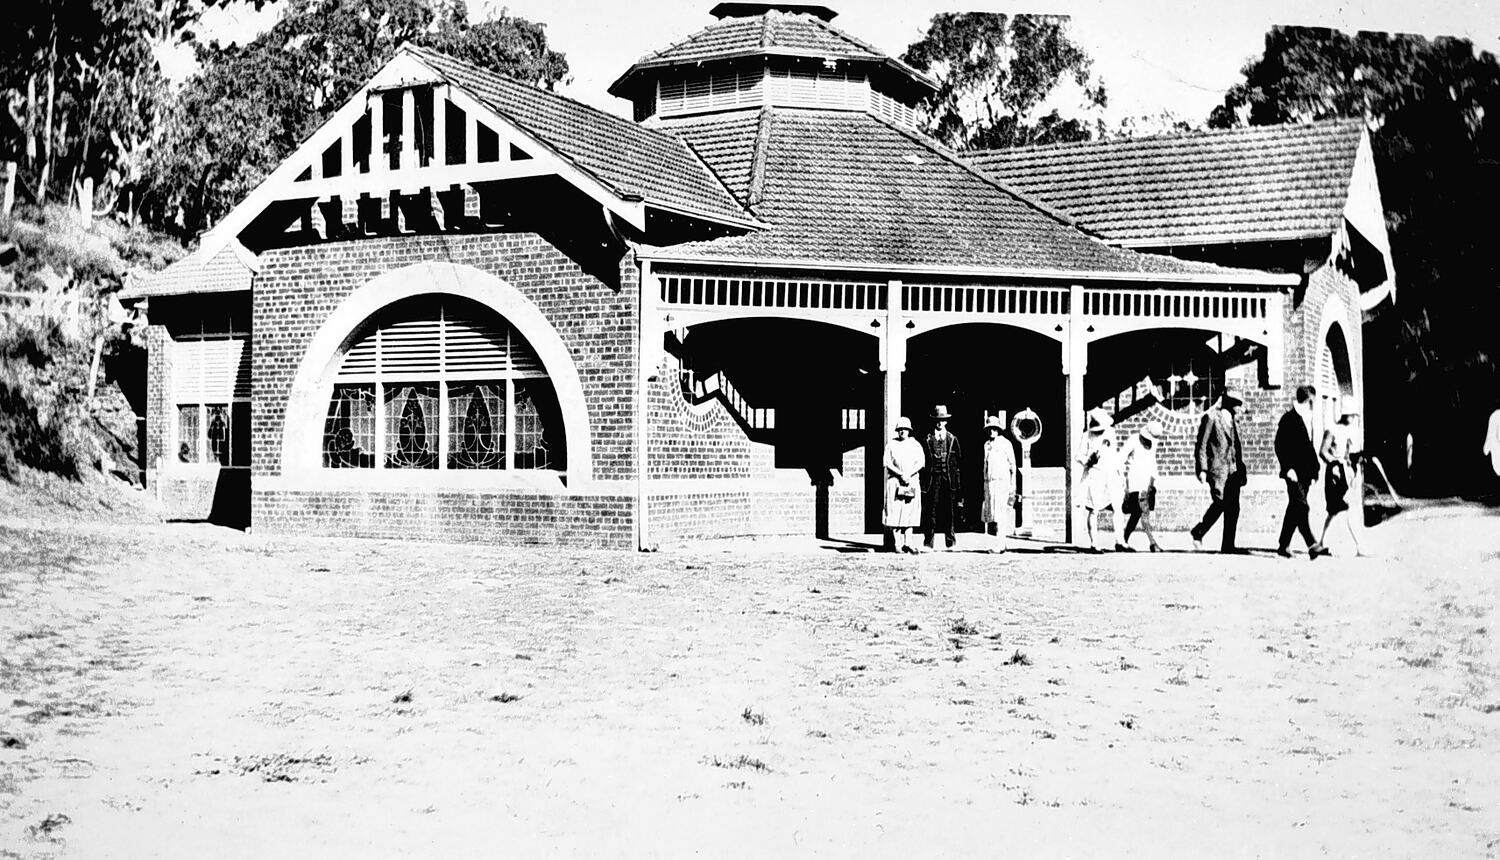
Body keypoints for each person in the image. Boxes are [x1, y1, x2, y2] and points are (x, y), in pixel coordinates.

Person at [1190, 387, 1247, 552]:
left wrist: (1241, 470)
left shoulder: (1235, 421)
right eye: (1237, 403)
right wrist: (1202, 469)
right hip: (1218, 469)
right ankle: (1199, 531)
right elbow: (1201, 444)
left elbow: (1237, 447)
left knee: (1233, 507)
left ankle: (1228, 545)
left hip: (1234, 470)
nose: (1239, 407)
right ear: (1229, 403)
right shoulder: (1212, 417)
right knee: (1221, 502)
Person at [1274, 384, 1325, 559]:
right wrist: (1287, 468)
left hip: (1305, 473)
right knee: (1302, 506)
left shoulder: (1306, 418)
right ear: (1309, 399)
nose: (1315, 404)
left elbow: (1308, 448)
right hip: (1293, 473)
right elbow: (1280, 445)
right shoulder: (1289, 419)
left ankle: (1283, 545)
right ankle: (1312, 544)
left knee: (1294, 508)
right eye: (1314, 400)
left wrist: (1315, 470)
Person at [1317, 405, 1363, 556]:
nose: (1353, 418)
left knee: (1346, 509)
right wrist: (1334, 464)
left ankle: (1324, 543)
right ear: (1345, 414)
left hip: (1346, 471)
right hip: (1334, 473)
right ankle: (1324, 543)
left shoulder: (1350, 431)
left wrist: (1354, 473)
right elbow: (1323, 451)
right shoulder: (1332, 430)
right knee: (1336, 509)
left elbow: (1350, 455)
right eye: (1351, 415)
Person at [1077, 407, 1124, 552]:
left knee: (1117, 505)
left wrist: (1119, 473)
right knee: (1094, 509)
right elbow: (1079, 456)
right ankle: (1094, 543)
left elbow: (1114, 454)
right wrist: (1089, 460)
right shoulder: (1087, 436)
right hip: (1095, 474)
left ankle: (1120, 541)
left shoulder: (1110, 433)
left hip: (1110, 473)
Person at [921, 405, 963, 550]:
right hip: (933, 480)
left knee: (949, 511)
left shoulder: (952, 439)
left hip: (948, 480)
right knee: (930, 511)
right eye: (938, 420)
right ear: (934, 421)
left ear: (946, 421)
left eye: (943, 420)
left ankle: (951, 542)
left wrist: (956, 483)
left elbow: (958, 462)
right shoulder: (927, 438)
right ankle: (928, 543)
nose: (940, 422)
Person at [1120, 420, 1164, 552]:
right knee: (1141, 511)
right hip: (1135, 480)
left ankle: (1123, 540)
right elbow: (1121, 457)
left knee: (1138, 513)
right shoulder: (1133, 440)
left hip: (1147, 481)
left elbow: (1152, 462)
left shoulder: (1153, 442)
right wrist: (1122, 479)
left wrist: (1153, 481)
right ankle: (1152, 543)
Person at [883, 417, 925, 554]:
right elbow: (887, 463)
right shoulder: (891, 445)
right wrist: (900, 474)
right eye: (900, 429)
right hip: (895, 482)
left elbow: (920, 462)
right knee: (895, 513)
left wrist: (909, 474)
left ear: (909, 431)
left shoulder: (915, 445)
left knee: (909, 513)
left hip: (911, 481)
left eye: (905, 429)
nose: (903, 432)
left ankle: (909, 543)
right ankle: (897, 544)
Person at [980, 416, 1017, 553]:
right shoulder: (986, 445)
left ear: (998, 430)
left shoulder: (1005, 444)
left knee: (1000, 513)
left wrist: (1012, 484)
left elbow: (1012, 464)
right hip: (990, 483)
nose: (992, 432)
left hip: (1002, 482)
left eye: (994, 429)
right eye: (990, 429)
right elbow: (985, 465)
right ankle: (1002, 542)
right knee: (994, 514)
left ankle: (1000, 545)